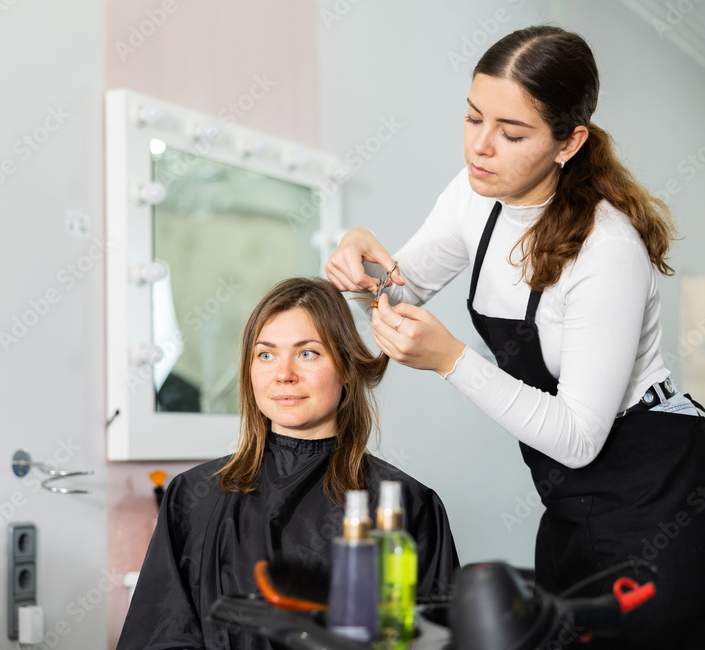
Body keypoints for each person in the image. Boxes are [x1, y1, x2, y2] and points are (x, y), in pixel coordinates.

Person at [325, 25, 705, 649]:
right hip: (570, 501)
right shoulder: (473, 195)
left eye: (511, 133)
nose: (480, 148)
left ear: (568, 142)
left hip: (657, 494)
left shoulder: (608, 248)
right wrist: (360, 255)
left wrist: (450, 360)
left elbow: (577, 437)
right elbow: (399, 289)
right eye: (472, 118)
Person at [117, 277, 459, 649]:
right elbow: (159, 637)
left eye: (307, 353)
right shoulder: (193, 498)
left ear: (345, 367)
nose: (284, 374)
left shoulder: (410, 505)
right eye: (266, 355)